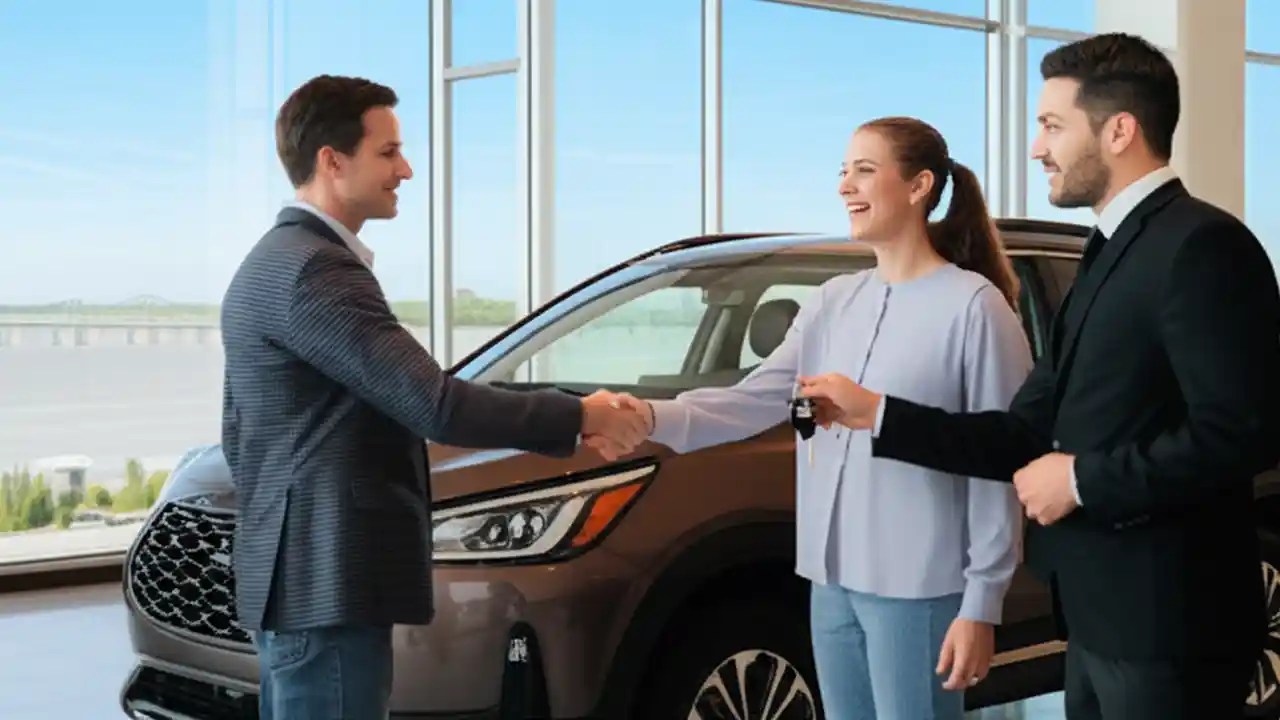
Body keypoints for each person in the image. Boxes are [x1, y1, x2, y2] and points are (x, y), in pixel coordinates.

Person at [798, 33, 1280, 720]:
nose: (1035, 147)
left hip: (1172, 626)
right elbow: (1024, 429)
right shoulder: (1109, 252)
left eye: (1052, 125)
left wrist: (1080, 479)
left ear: (1119, 131)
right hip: (1095, 621)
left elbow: (1244, 432)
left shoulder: (1201, 246)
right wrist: (877, 414)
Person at [220, 74, 646, 719]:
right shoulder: (315, 268)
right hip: (327, 581)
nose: (406, 169)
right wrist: (582, 414)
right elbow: (434, 405)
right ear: (332, 162)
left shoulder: (276, 259)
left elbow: (242, 437)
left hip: (303, 579)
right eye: (388, 152)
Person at [591, 116, 1033, 718]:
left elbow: (998, 460)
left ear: (919, 185)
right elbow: (753, 399)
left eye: (865, 170)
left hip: (919, 587)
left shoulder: (975, 309)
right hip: (830, 583)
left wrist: (982, 601)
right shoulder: (832, 303)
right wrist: (648, 416)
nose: (845, 186)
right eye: (842, 172)